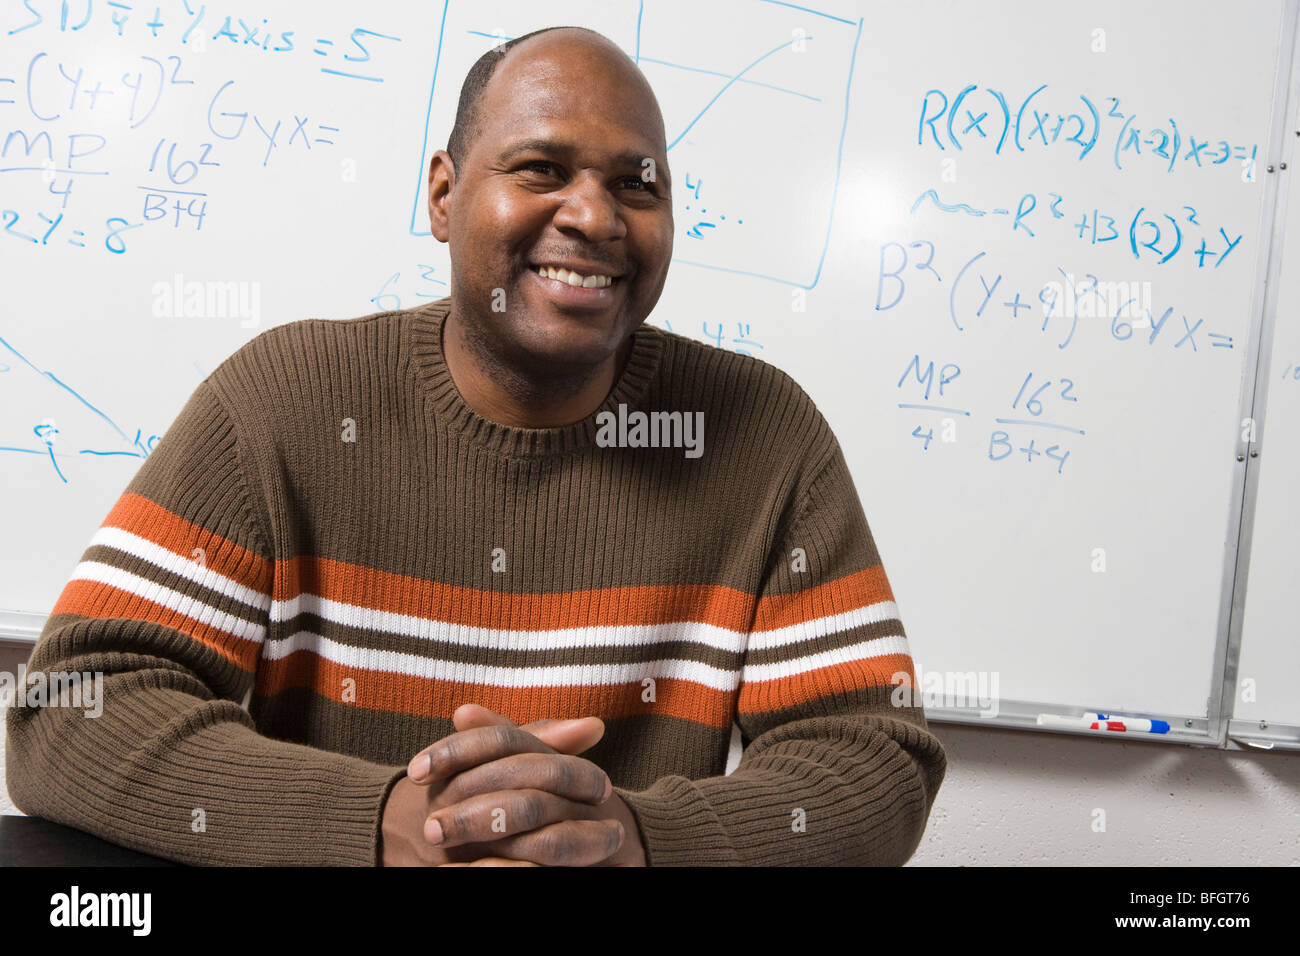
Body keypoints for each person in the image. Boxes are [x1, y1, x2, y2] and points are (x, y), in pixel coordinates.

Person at [5, 25, 946, 866]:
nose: (594, 216)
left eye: (636, 183)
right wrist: (381, 820)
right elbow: (69, 706)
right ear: (445, 196)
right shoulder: (283, 398)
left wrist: (636, 844)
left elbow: (876, 757)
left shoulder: (765, 434)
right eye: (541, 169)